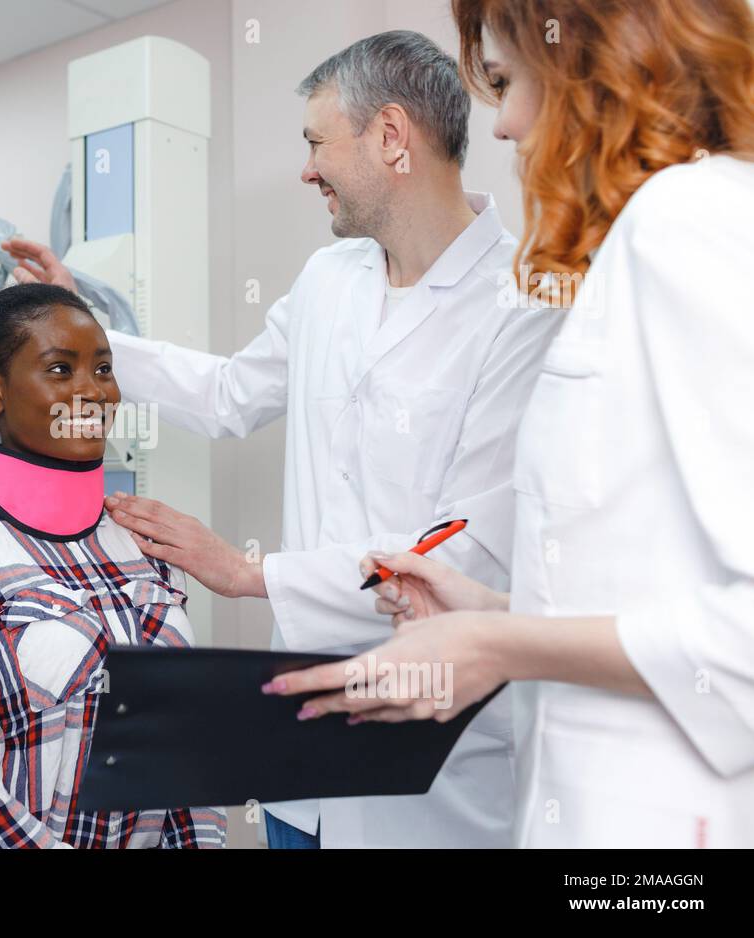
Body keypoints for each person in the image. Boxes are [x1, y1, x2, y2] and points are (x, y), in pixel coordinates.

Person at [5, 30, 560, 849]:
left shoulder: (521, 302)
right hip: (297, 763)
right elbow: (230, 393)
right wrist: (84, 330)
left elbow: (458, 555)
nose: (307, 169)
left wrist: (251, 574)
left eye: (315, 142)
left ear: (391, 138)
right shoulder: (328, 280)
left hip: (427, 771)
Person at [268, 0, 754, 848]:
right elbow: (652, 582)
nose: (506, 123)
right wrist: (493, 607)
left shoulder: (686, 223)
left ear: (607, 59)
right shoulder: (657, 232)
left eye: (508, 81)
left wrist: (498, 642)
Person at [0, 282, 225, 848]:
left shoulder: (142, 539)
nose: (92, 392)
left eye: (103, 369)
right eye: (60, 369)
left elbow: (183, 751)